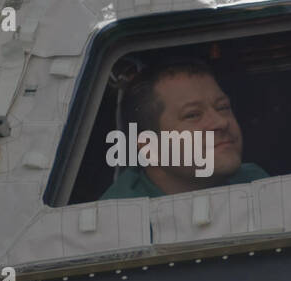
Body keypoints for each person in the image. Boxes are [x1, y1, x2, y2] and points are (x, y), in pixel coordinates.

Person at [100, 59, 267, 199]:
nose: (221, 122)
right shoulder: (115, 224)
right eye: (192, 115)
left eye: (222, 107)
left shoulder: (254, 181)